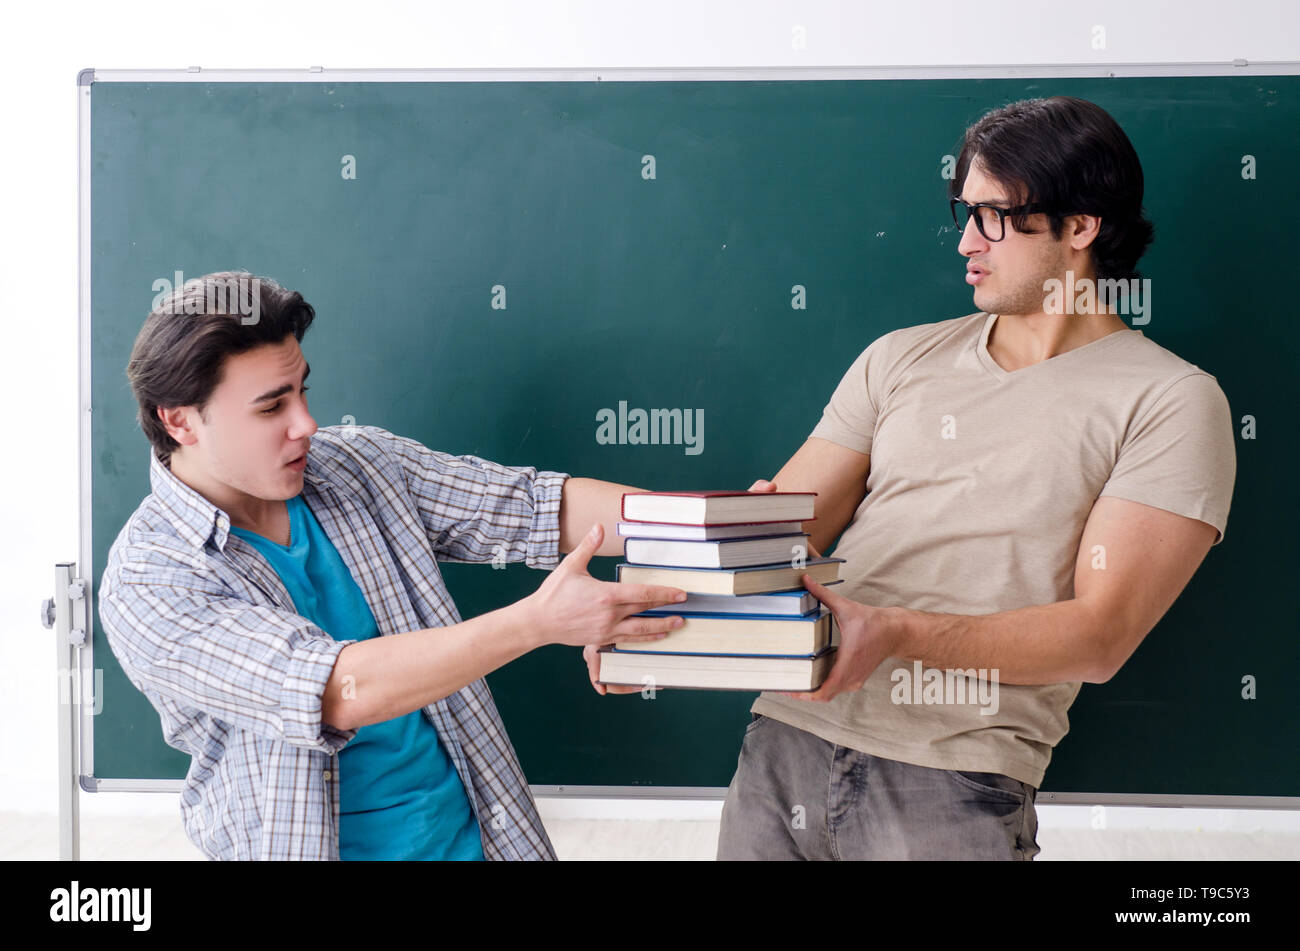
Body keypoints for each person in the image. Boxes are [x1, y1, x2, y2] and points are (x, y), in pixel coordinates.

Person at [590, 95, 1236, 860]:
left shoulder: (1170, 400)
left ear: (1082, 225)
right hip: (785, 746)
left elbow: (1100, 637)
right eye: (964, 212)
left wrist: (895, 633)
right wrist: (658, 638)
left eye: (993, 215)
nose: (967, 240)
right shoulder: (898, 358)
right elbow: (778, 544)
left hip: (954, 782)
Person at [98, 272, 688, 861]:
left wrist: (719, 523)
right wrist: (537, 623)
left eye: (302, 391)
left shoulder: (357, 465)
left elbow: (533, 508)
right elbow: (335, 691)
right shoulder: (149, 579)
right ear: (179, 421)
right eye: (272, 406)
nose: (305, 423)